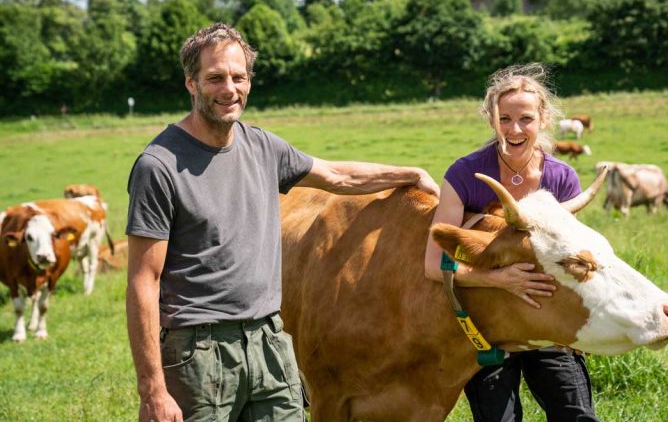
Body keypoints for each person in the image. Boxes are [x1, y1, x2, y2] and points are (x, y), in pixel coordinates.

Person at [125, 22, 439, 422]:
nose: (229, 89)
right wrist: (152, 388)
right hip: (198, 352)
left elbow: (338, 176)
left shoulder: (263, 147)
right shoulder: (159, 166)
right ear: (191, 83)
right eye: (215, 78)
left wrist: (408, 174)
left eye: (239, 77)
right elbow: (142, 281)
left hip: (270, 340)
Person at [424, 64, 599, 422]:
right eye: (505, 118)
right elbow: (433, 265)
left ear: (544, 119)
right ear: (491, 119)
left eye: (526, 118)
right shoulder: (464, 174)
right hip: (489, 328)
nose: (515, 129)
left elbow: (568, 259)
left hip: (545, 322)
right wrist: (499, 280)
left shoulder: (562, 177)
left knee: (577, 416)